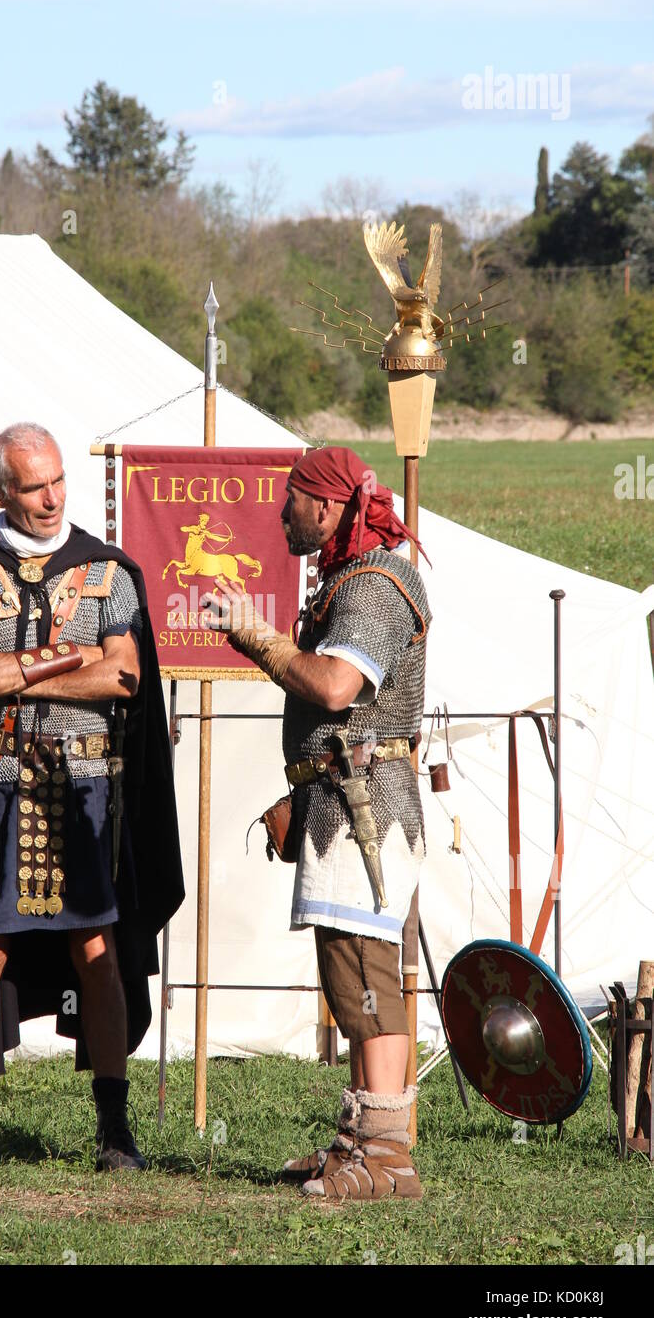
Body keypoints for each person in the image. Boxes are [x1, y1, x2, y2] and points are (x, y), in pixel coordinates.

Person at [0, 423, 184, 1175]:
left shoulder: (108, 573)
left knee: (98, 953)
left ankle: (114, 1130)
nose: (52, 498)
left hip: (85, 789)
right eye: (33, 487)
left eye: (59, 480)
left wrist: (23, 669)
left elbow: (124, 679)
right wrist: (75, 656)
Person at [201, 445, 432, 1201]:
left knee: (366, 982)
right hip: (343, 805)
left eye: (293, 501)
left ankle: (388, 1159)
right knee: (350, 976)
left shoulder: (375, 585)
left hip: (369, 811)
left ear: (328, 507)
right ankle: (359, 1142)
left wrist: (258, 638)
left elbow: (335, 687)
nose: (281, 514)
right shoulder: (349, 579)